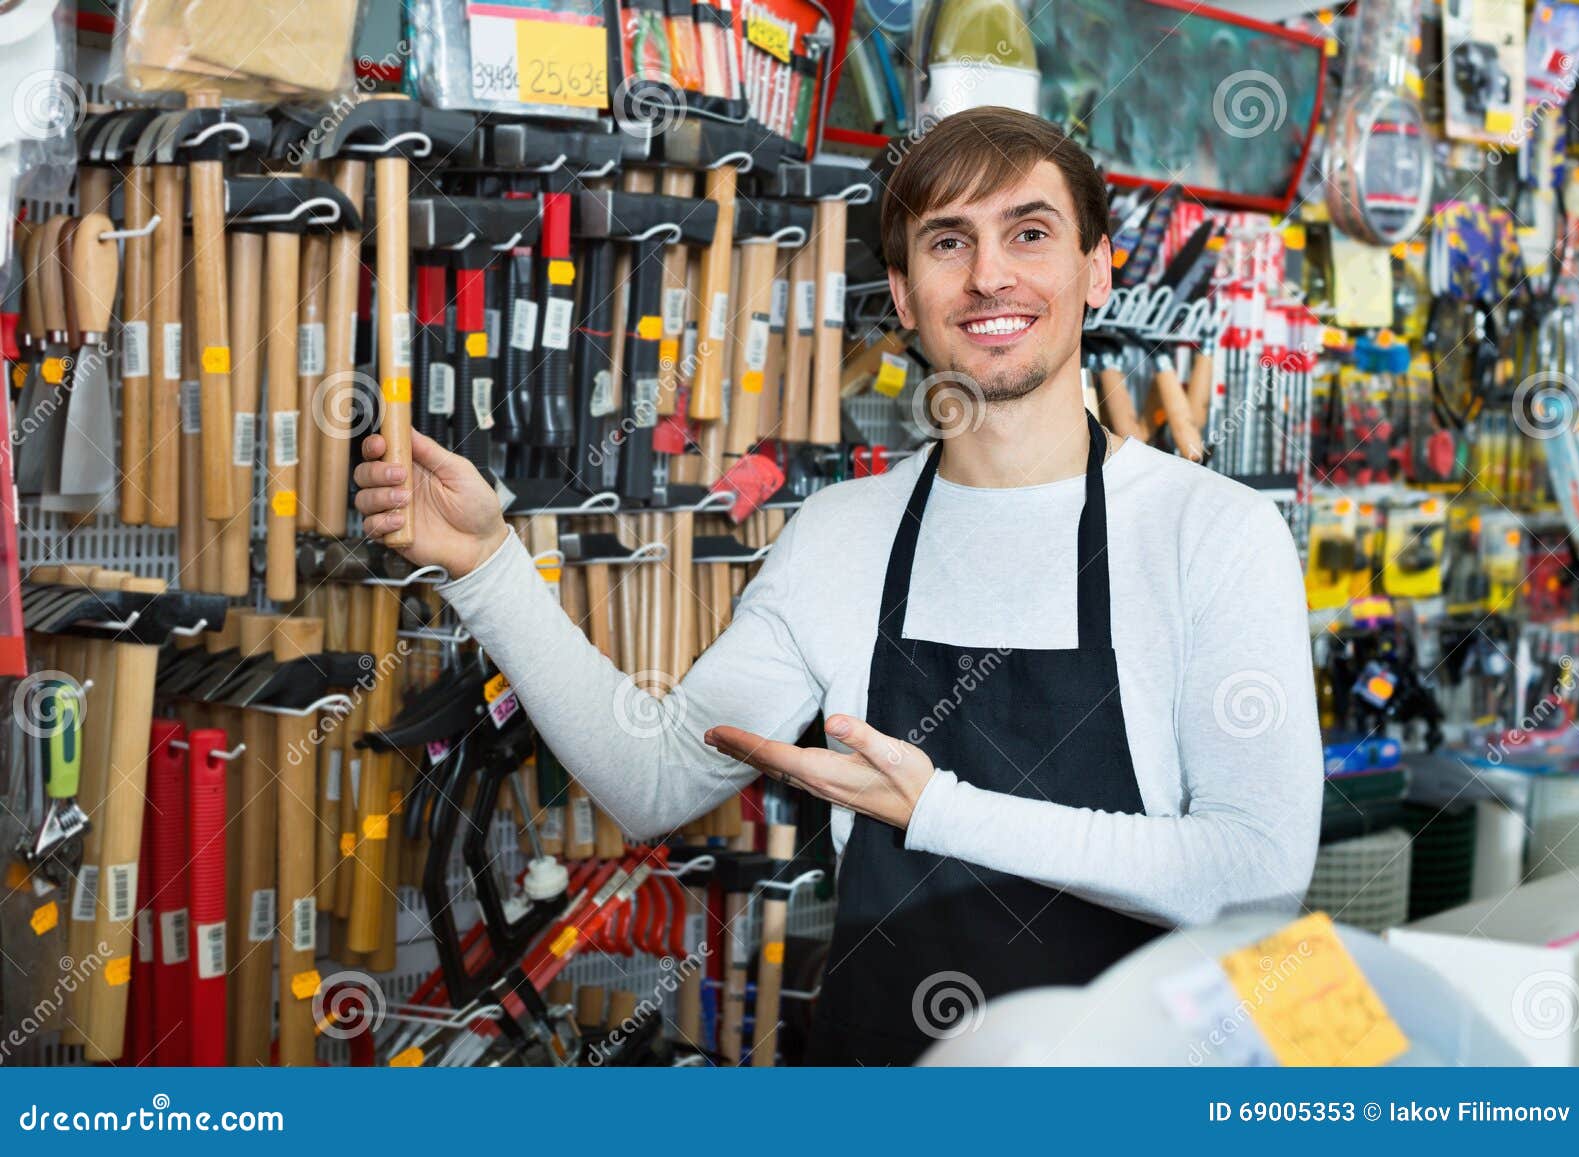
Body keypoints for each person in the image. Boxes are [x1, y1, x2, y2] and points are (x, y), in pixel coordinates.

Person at [353, 106, 1322, 1066]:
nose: (990, 275)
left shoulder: (1212, 534)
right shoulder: (843, 534)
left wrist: (938, 808)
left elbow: (1256, 877)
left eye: (1029, 232)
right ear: (902, 295)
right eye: (949, 242)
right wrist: (488, 564)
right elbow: (654, 781)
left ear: (1097, 268)